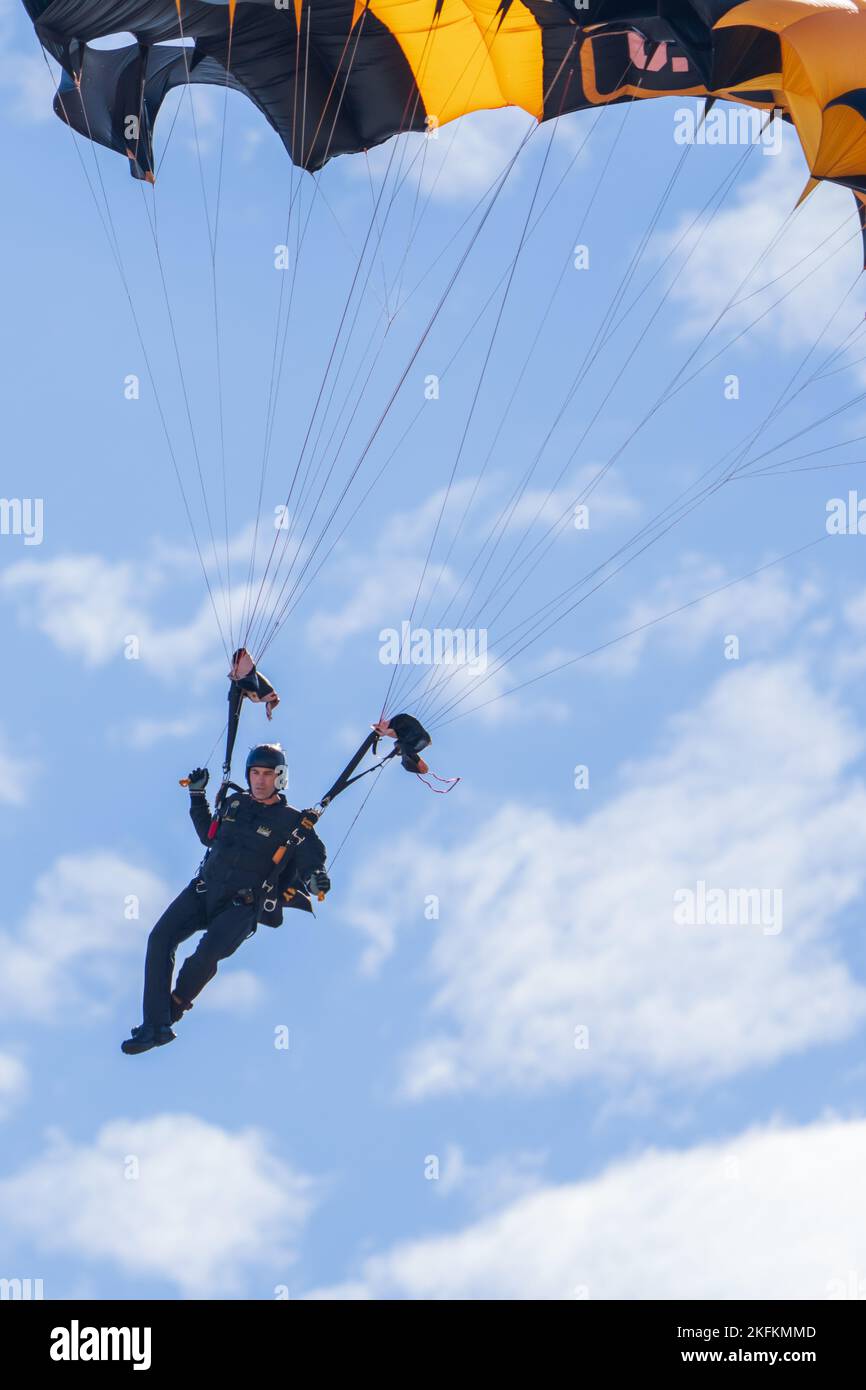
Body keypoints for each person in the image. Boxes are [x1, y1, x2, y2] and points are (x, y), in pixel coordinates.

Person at [121, 744, 329, 1055]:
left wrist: (317, 879)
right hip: (204, 889)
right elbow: (209, 835)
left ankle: (168, 1015)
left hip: (240, 905)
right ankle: (154, 1027)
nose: (259, 781)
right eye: (255, 773)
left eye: (267, 774)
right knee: (159, 938)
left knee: (203, 958)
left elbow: (313, 862)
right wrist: (196, 796)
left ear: (280, 778)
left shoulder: (293, 823)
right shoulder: (234, 803)